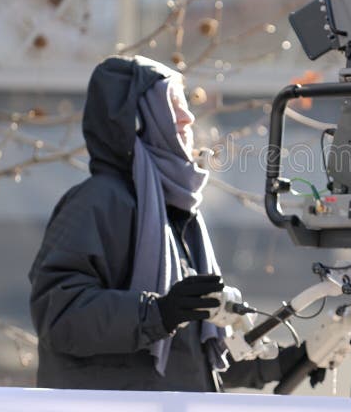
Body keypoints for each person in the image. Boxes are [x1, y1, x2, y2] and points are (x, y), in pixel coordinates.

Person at [29, 55, 316, 391]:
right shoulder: (99, 201)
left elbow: (185, 359)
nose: (188, 116)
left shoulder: (177, 213)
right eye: (172, 104)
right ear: (136, 121)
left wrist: (283, 363)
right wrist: (157, 312)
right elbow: (59, 316)